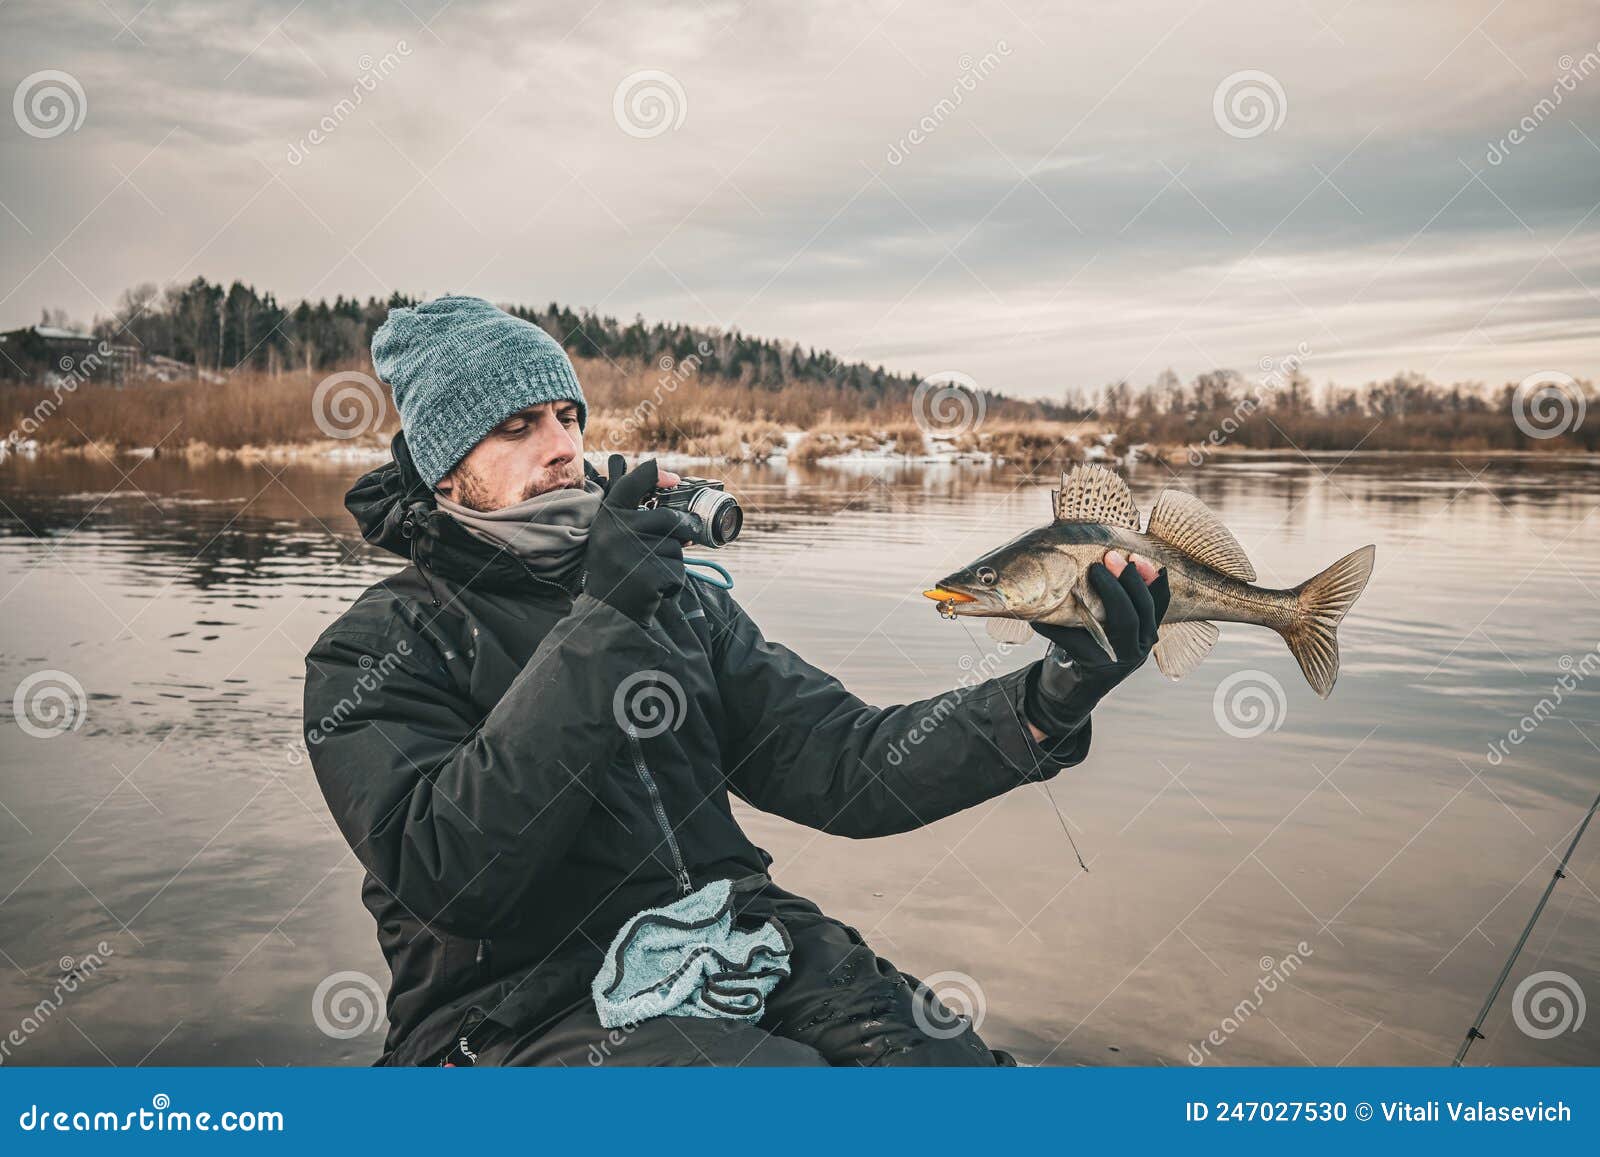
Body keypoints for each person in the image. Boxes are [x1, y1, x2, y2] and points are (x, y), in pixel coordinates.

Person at [303, 295, 1168, 1067]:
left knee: (941, 1067)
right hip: (515, 1009)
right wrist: (604, 618)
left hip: (733, 929)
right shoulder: (376, 648)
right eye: (518, 425)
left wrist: (1047, 702)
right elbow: (455, 874)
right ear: (446, 465)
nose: (565, 446)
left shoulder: (670, 598)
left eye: (568, 414)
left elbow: (845, 765)